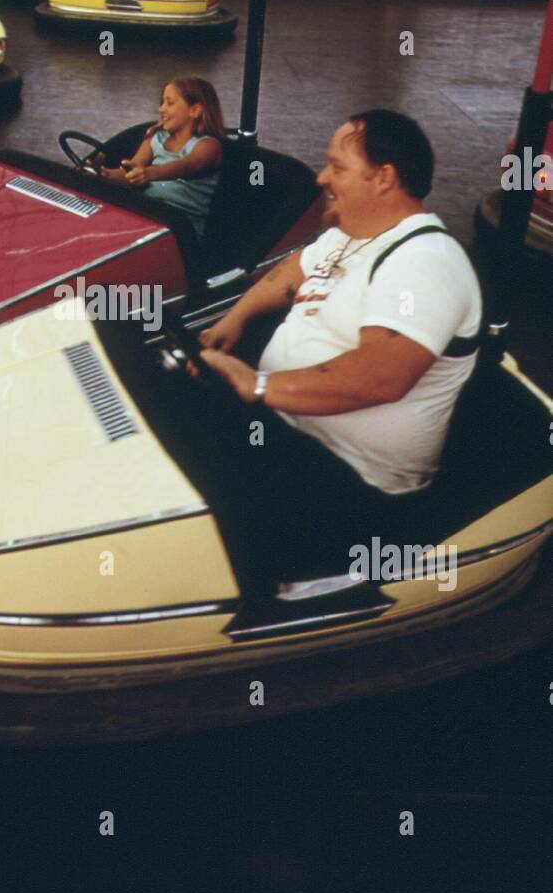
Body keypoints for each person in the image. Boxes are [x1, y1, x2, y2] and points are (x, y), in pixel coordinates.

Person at [191, 109, 483, 613]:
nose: (321, 178)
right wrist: (234, 318)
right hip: (283, 428)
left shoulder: (426, 261)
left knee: (195, 504)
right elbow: (291, 274)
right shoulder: (349, 233)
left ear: (384, 176)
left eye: (337, 167)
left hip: (351, 477)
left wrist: (256, 385)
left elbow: (380, 378)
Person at [99, 77, 224, 238]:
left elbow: (185, 166)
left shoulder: (208, 146)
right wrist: (104, 173)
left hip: (181, 227)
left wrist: (149, 174)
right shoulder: (155, 138)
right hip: (148, 213)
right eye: (162, 103)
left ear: (194, 110)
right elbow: (131, 172)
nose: (161, 109)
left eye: (169, 103)